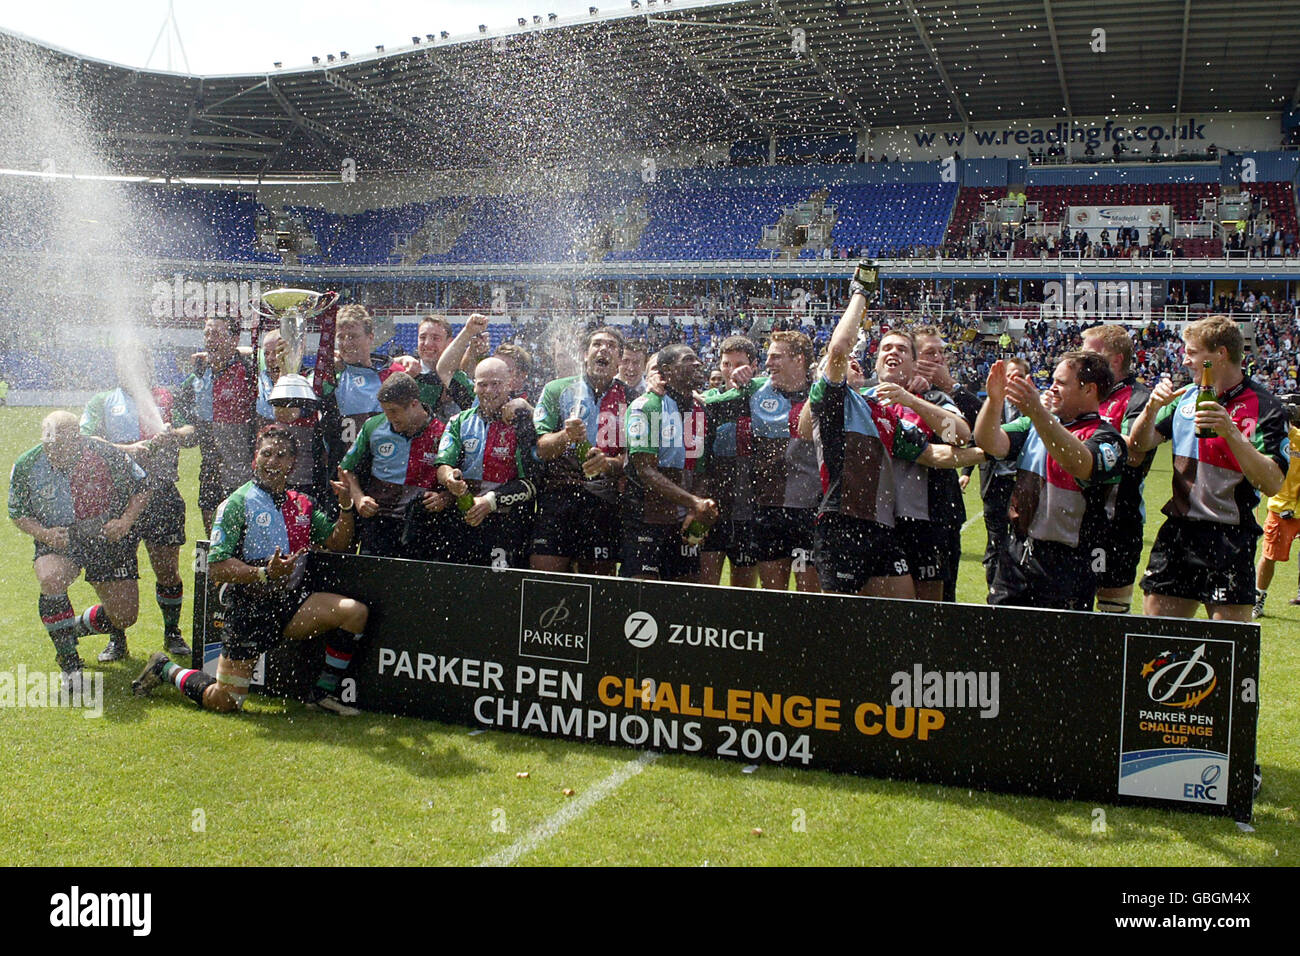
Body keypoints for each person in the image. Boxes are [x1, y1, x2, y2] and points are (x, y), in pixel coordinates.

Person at [133, 425, 366, 715]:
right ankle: (165, 668)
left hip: (292, 604)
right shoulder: (237, 503)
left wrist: (345, 507)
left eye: (281, 456)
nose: (272, 461)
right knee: (226, 701)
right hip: (249, 610)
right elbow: (217, 567)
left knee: (354, 612)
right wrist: (264, 573)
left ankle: (321, 695)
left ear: (292, 463)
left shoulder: (303, 504)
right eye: (266, 454)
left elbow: (337, 543)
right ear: (255, 459)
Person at [1129, 316, 1289, 621]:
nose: (1185, 360)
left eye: (1192, 352)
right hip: (1179, 531)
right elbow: (1140, 445)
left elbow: (1273, 483)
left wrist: (1231, 433)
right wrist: (1150, 408)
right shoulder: (1186, 397)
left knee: (1225, 650)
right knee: (1156, 642)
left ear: (1220, 354)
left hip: (1230, 538)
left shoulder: (1266, 406)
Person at [810, 266, 943, 599]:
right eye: (844, 363)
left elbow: (930, 453)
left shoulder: (880, 411)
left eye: (857, 359)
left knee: (901, 619)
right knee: (839, 623)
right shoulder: (831, 398)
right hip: (842, 520)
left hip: (882, 525)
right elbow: (838, 350)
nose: (850, 362)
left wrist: (984, 450)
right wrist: (861, 293)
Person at [9, 412, 153, 689]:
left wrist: (125, 521)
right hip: (59, 538)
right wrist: (45, 534)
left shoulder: (102, 452)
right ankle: (70, 664)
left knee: (124, 616)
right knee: (50, 578)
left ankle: (68, 627)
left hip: (105, 535)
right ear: (44, 438)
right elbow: (17, 513)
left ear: (78, 437)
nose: (57, 451)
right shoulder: (26, 464)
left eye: (65, 443)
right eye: (51, 444)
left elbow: (143, 485)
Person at [974, 352, 1127, 610]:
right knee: (998, 641)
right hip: (1017, 555)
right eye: (1052, 381)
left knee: (1059, 647)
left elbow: (1079, 463)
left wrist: (1037, 412)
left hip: (1070, 564)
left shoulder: (1108, 439)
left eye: (1061, 383)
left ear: (1090, 390)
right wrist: (994, 401)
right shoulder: (1033, 424)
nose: (1052, 389)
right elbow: (988, 441)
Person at [81, 344, 194, 657]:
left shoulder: (166, 397)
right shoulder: (103, 400)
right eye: (124, 362)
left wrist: (175, 434)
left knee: (168, 570)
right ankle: (117, 639)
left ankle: (172, 632)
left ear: (147, 365)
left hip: (163, 494)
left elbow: (191, 429)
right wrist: (126, 450)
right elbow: (85, 439)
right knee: (119, 574)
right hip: (119, 501)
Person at [864, 330, 972, 601]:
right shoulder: (860, 399)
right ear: (875, 361)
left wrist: (911, 400)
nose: (893, 353)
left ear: (912, 364)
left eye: (902, 349)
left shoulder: (933, 399)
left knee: (930, 610)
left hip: (925, 521)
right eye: (886, 348)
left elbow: (959, 435)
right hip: (871, 520)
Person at [708, 331, 818, 592]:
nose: (769, 363)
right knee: (772, 598)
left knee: (810, 598)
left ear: (799, 359)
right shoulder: (756, 390)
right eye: (768, 357)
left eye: (776, 357)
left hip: (809, 511)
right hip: (769, 511)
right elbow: (706, 404)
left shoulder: (821, 393)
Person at [530, 327, 631, 576]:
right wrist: (566, 437)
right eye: (596, 344)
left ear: (619, 359)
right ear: (585, 354)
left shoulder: (632, 397)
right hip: (558, 496)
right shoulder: (556, 390)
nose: (603, 349)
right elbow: (540, 449)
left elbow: (635, 458)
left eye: (611, 346)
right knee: (544, 582)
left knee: (598, 587)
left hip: (603, 502)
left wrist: (608, 464)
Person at [622, 344, 718, 582]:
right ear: (666, 370)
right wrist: (694, 502)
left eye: (697, 358)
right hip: (646, 520)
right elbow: (645, 470)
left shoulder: (700, 410)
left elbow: (702, 470)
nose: (697, 364)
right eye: (688, 360)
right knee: (641, 600)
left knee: (685, 598)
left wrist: (694, 509)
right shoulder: (646, 406)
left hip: (683, 522)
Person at [435, 358, 539, 568]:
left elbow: (532, 483)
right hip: (463, 518)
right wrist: (450, 479)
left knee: (500, 590)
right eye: (482, 384)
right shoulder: (459, 421)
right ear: (474, 386)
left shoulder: (523, 423)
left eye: (496, 383)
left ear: (509, 384)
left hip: (507, 523)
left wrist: (490, 501)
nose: (488, 390)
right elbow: (443, 465)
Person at [1082, 324, 1154, 613]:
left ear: (1115, 360)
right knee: (1069, 608)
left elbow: (1134, 454)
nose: (1081, 361)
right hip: (1072, 518)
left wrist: (1082, 433)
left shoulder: (1138, 398)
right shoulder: (1082, 391)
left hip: (1117, 522)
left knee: (1112, 613)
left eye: (1089, 355)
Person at [340, 372, 447, 558]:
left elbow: (460, 479)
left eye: (394, 411)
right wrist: (358, 498)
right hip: (379, 522)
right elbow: (347, 469)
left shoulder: (443, 433)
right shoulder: (373, 426)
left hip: (423, 526)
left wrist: (445, 497)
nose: (389, 417)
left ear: (414, 404)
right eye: (385, 411)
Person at [174, 316, 258, 533]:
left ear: (234, 339)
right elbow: (182, 418)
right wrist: (177, 431)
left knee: (244, 539)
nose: (210, 339)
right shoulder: (197, 377)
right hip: (211, 471)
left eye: (217, 334)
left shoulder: (249, 372)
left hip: (244, 472)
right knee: (212, 540)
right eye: (207, 334)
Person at [698, 336, 761, 589]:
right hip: (712, 505)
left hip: (750, 508)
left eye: (740, 363)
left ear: (754, 365)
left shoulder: (761, 393)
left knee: (743, 593)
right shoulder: (705, 400)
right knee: (705, 587)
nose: (733, 370)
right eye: (727, 364)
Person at [317, 304, 396, 475]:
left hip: (384, 473)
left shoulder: (392, 373)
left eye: (353, 336)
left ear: (370, 337)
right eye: (341, 337)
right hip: (341, 475)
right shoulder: (330, 378)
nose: (346, 343)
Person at [1253, 395, 1300, 617]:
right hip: (1280, 508)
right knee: (1269, 556)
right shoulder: (1269, 436)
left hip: (1296, 508)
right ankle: (1258, 599)